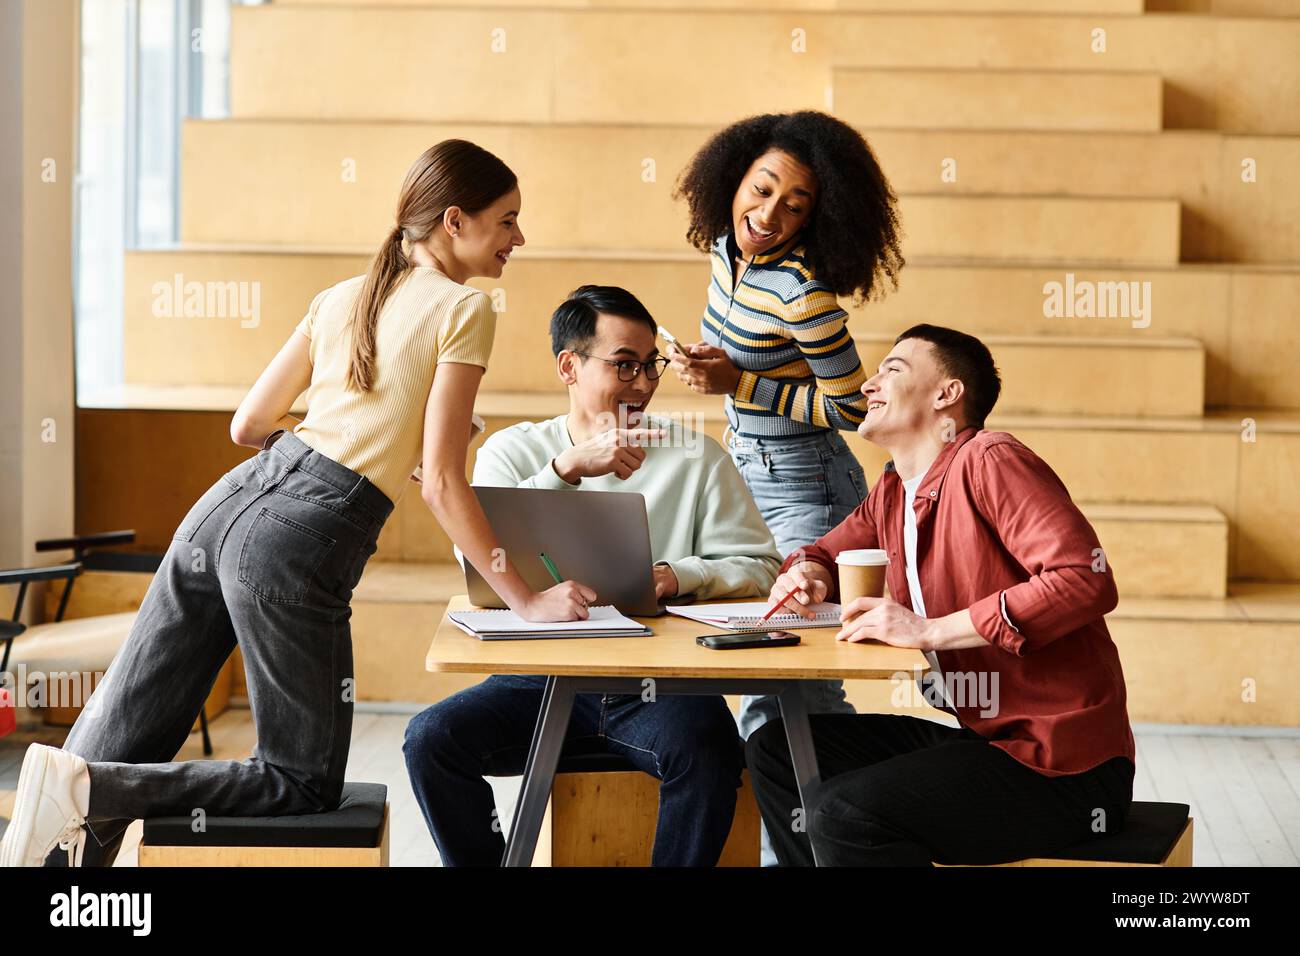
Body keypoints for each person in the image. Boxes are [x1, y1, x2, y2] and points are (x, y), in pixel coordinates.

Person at [1, 139, 596, 868]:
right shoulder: (466, 308)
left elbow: (248, 426)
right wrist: (526, 601)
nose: (518, 238)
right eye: (506, 220)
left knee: (123, 729)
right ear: (453, 220)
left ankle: (59, 841)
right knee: (301, 780)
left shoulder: (340, 295)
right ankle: (89, 790)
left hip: (226, 507)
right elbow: (442, 483)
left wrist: (375, 441)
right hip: (302, 536)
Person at [403, 285, 782, 866]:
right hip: (537, 680)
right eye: (624, 365)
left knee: (710, 750)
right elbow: (478, 560)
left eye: (650, 365)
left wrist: (674, 575)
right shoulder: (513, 451)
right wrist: (564, 470)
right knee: (431, 740)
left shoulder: (699, 458)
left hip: (661, 686)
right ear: (569, 366)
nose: (644, 382)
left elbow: (760, 567)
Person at [747, 324, 1136, 866]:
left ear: (946, 394)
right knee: (778, 750)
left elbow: (1084, 579)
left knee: (842, 812)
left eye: (893, 369)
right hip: (986, 745)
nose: (868, 385)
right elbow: (825, 554)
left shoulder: (989, 458)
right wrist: (806, 573)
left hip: (1062, 770)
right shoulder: (893, 491)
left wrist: (929, 630)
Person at [670, 109, 905, 863]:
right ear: (733, 177)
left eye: (795, 205)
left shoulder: (805, 294)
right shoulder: (721, 249)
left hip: (808, 483)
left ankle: (819, 850)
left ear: (818, 215)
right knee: (770, 684)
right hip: (741, 473)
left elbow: (851, 409)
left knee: (796, 688)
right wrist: (713, 367)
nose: (768, 215)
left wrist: (740, 382)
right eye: (761, 190)